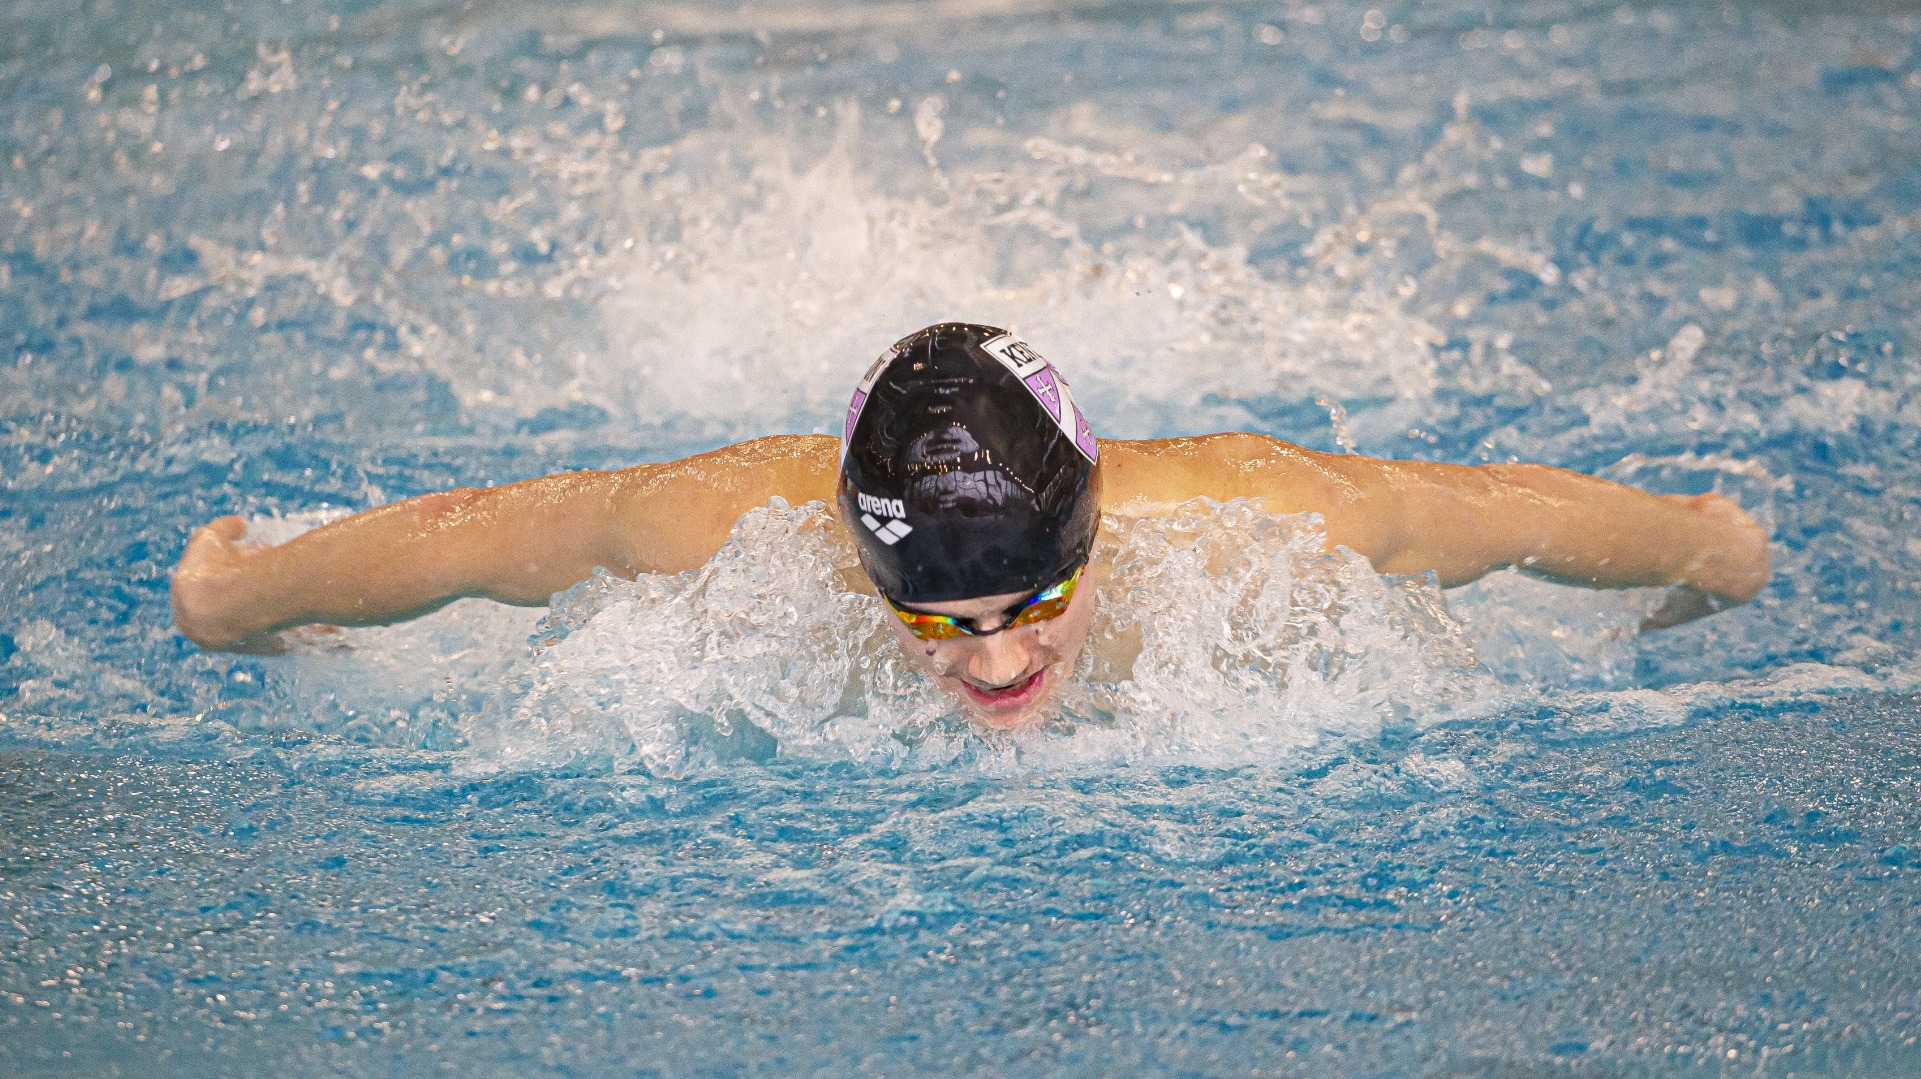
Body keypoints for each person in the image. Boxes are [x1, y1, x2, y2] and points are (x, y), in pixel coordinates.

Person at [172, 322, 1771, 730]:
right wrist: (237, 601)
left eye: (1030, 599)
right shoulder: (733, 525)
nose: (995, 663)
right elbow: (473, 540)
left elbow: (1488, 519)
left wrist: (1707, 549)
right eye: (934, 617)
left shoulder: (1252, 512)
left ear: (1095, 526)